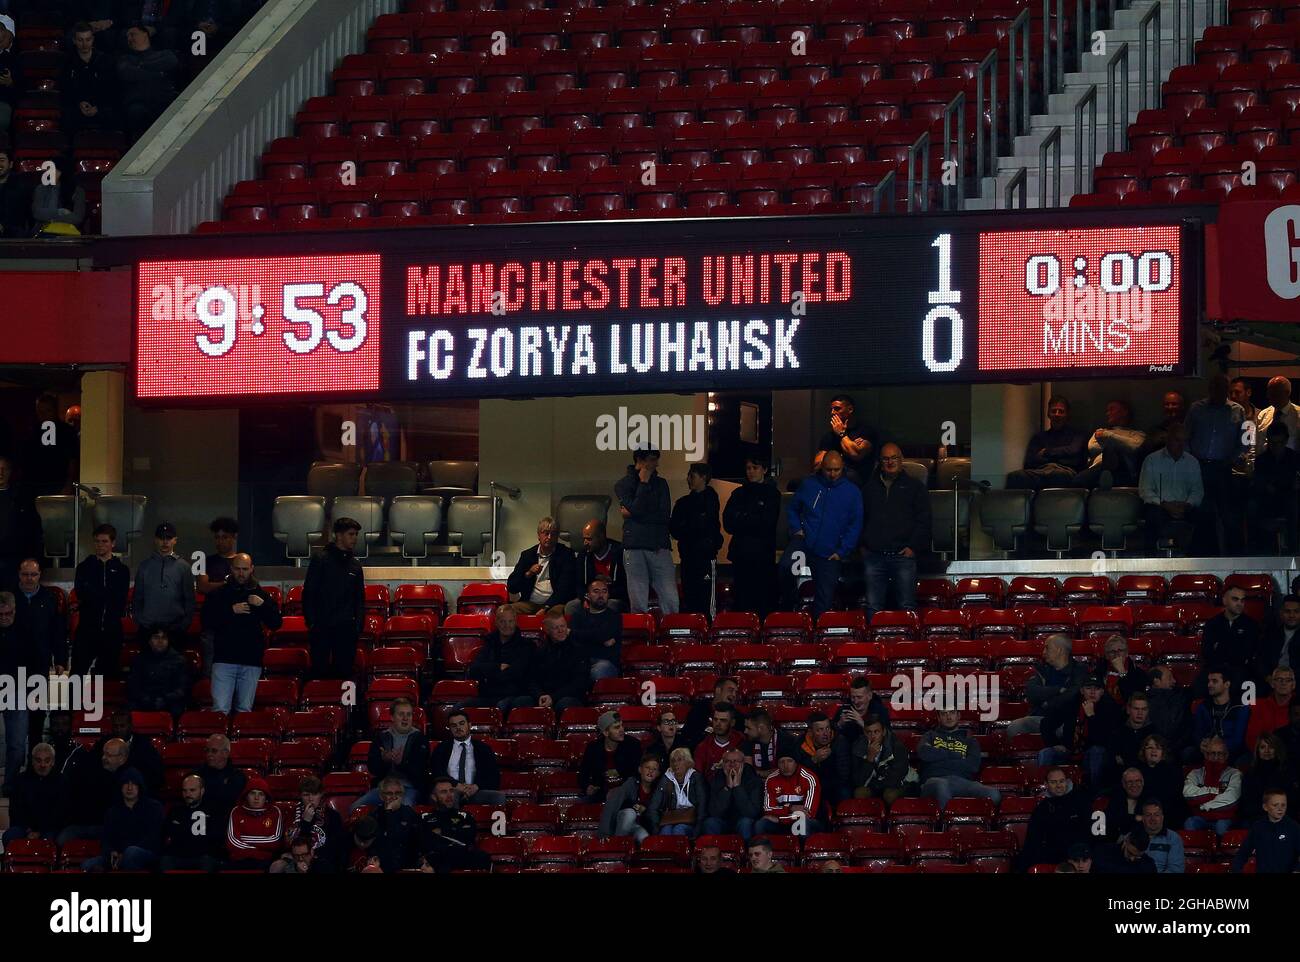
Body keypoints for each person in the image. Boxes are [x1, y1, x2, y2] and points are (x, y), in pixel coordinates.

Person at [779, 450, 863, 619]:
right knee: (786, 567)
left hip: (829, 553)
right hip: (804, 545)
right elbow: (793, 508)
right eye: (828, 470)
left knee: (824, 599)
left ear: (842, 468)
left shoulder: (852, 492)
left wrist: (841, 551)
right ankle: (791, 607)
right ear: (821, 468)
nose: (832, 474)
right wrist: (797, 529)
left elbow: (856, 525)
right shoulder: (808, 484)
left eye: (836, 470)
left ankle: (817, 634)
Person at [202, 553, 280, 714]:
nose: (241, 573)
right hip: (224, 660)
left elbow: (276, 623)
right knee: (220, 710)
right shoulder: (219, 594)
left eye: (245, 569)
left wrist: (263, 605)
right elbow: (207, 621)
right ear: (231, 569)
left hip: (251, 661)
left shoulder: (261, 595)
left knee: (244, 710)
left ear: (252, 569)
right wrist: (230, 610)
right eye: (237, 569)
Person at [860, 442, 930, 618]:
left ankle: (907, 645)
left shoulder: (916, 488)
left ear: (901, 460)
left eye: (894, 458)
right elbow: (860, 519)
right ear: (880, 462)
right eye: (885, 459)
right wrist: (863, 546)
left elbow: (924, 521)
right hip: (874, 556)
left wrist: (913, 547)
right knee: (873, 607)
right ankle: (872, 645)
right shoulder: (868, 489)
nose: (890, 462)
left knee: (907, 605)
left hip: (903, 557)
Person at [1185, 373, 1247, 554]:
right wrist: (1191, 460)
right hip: (1199, 466)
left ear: (1227, 390)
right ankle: (1203, 552)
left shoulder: (1238, 410)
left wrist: (1233, 459)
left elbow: (1244, 441)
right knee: (1201, 510)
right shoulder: (1196, 409)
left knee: (1226, 512)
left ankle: (1233, 553)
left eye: (1222, 388)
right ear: (1209, 389)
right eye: (1215, 387)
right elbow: (1186, 436)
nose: (1218, 391)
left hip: (1223, 468)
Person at [615, 447, 679, 616]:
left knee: (670, 596)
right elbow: (641, 509)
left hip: (658, 544)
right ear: (640, 460)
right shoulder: (623, 484)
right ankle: (641, 634)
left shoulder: (661, 483)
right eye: (651, 459)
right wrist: (643, 484)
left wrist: (633, 513)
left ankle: (671, 632)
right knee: (637, 597)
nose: (656, 464)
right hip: (634, 545)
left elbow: (664, 515)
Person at [302, 516, 365, 681]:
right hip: (322, 626)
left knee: (346, 673)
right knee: (319, 670)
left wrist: (357, 625)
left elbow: (359, 598)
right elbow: (309, 592)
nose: (355, 538)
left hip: (346, 628)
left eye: (356, 534)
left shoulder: (355, 565)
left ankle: (346, 706)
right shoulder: (321, 559)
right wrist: (312, 622)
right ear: (338, 535)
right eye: (351, 534)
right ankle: (319, 706)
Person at [722, 455, 781, 619]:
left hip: (762, 554)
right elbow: (728, 522)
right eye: (748, 468)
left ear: (764, 470)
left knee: (762, 596)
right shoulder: (738, 493)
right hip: (741, 553)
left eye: (755, 468)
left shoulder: (772, 494)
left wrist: (742, 518)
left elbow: (767, 523)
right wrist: (752, 518)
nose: (751, 472)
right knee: (742, 596)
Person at [0, 591, 45, 790]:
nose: (4, 618)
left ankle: (9, 784)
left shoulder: (27, 631)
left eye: (8, 613)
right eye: (0, 615)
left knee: (18, 746)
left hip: (17, 690)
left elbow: (37, 662)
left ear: (15, 610)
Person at [71, 523, 129, 677]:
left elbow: (120, 599)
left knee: (107, 676)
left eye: (104, 541)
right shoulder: (84, 568)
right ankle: (74, 702)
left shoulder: (122, 571)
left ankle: (100, 702)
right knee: (77, 674)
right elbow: (82, 594)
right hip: (87, 630)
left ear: (113, 543)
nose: (100, 545)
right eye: (97, 541)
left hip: (111, 631)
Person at [1039, 677, 1122, 786]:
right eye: (1088, 688)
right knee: (1046, 753)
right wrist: (1055, 743)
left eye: (1096, 688)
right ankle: (1042, 791)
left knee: (1097, 751)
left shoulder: (1110, 708)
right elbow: (1046, 723)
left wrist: (1091, 716)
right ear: (1082, 691)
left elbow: (1104, 739)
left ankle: (1095, 792)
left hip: (1091, 754)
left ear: (1102, 692)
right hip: (1070, 751)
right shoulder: (1072, 704)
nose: (1092, 692)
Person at [1137, 422, 1203, 554]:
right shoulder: (1152, 460)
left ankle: (1196, 563)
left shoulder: (1192, 462)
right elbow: (1145, 490)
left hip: (1184, 506)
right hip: (1160, 506)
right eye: (1177, 440)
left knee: (1204, 516)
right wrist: (1165, 504)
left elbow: (1197, 491)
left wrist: (1187, 505)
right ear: (1168, 439)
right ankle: (1150, 560)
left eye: (1183, 441)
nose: (1180, 444)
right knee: (1152, 515)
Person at [917, 707, 1001, 810]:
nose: (948, 716)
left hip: (963, 782)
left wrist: (938, 759)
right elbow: (924, 753)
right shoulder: (929, 736)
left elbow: (973, 766)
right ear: (938, 718)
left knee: (994, 794)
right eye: (944, 714)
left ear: (958, 715)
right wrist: (956, 756)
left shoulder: (970, 740)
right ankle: (945, 825)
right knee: (941, 786)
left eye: (952, 712)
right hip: (933, 780)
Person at [355, 697, 429, 810]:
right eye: (401, 714)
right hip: (383, 789)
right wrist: (384, 761)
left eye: (408, 715)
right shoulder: (381, 737)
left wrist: (401, 764)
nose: (405, 718)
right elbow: (373, 768)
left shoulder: (420, 739)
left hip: (408, 788)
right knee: (355, 808)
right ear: (392, 717)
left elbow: (421, 771)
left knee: (403, 810)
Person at [84, 768, 163, 872]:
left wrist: (124, 854)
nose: (129, 788)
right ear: (121, 787)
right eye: (126, 783)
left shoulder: (154, 808)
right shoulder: (112, 812)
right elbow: (106, 839)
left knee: (131, 853)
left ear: (139, 786)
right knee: (87, 864)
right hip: (117, 856)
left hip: (144, 854)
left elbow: (154, 838)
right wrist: (111, 852)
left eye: (133, 784)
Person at [1010, 634, 1089, 738]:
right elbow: (1032, 692)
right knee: (1015, 726)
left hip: (1065, 720)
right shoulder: (1042, 669)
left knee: (1066, 731)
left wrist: (1048, 703)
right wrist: (1058, 690)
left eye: (1047, 648)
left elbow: (1073, 694)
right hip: (1041, 718)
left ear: (1059, 650)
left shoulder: (1079, 670)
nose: (1043, 653)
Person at [671, 463, 723, 616]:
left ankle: (707, 628)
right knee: (690, 595)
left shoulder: (710, 500)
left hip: (704, 556)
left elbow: (703, 525)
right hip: (688, 556)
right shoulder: (682, 503)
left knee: (707, 597)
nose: (688, 479)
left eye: (692, 476)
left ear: (704, 478)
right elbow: (675, 529)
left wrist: (688, 526)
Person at [1014, 767, 1091, 871]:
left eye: (1061, 781)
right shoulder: (1041, 809)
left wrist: (1082, 858)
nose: (1059, 786)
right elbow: (1033, 841)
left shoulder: (1081, 802)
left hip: (1079, 857)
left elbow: (1089, 833)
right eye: (1053, 782)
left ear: (1067, 782)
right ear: (1046, 784)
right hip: (1052, 858)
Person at [132, 521, 195, 647]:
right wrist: (141, 621)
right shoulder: (144, 566)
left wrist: (183, 625)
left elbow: (189, 600)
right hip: (148, 628)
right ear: (156, 540)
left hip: (175, 630)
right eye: (161, 538)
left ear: (175, 540)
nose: (165, 542)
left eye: (168, 538)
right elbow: (137, 598)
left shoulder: (184, 567)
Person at [1007, 395, 1089, 490]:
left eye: (1061, 411)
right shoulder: (1039, 437)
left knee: (1059, 475)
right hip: (1041, 472)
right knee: (1014, 476)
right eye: (1053, 411)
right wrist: (1062, 456)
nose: (1057, 414)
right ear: (1048, 414)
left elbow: (1075, 455)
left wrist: (1046, 453)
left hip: (1065, 472)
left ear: (1067, 414)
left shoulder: (1077, 435)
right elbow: (1029, 462)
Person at [58, 737, 130, 844]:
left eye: (109, 755)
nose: (104, 758)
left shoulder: (129, 778)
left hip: (107, 827)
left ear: (122, 759)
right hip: (81, 824)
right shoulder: (90, 772)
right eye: (104, 754)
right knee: (61, 840)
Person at [429, 708, 505, 808]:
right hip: (452, 791)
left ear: (469, 725)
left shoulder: (483, 748)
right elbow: (437, 772)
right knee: (452, 795)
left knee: (498, 797)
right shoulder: (441, 748)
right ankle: (455, 822)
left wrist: (476, 786)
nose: (458, 728)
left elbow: (493, 775)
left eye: (461, 723)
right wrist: (456, 785)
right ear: (450, 728)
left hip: (476, 791)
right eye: (454, 725)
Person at [468, 604, 535, 715]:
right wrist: (497, 667)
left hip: (513, 696)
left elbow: (516, 673)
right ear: (496, 622)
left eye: (510, 621)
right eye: (503, 621)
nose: (507, 625)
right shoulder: (489, 642)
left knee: (500, 708)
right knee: (459, 708)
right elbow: (474, 670)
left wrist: (488, 673)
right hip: (488, 695)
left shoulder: (526, 646)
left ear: (515, 622)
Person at [117, 23, 179, 140]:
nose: (129, 39)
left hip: (163, 101)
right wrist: (157, 73)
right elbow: (127, 73)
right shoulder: (125, 58)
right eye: (127, 37)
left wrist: (142, 65)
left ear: (145, 34)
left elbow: (172, 61)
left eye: (132, 34)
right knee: (135, 112)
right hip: (138, 103)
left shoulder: (163, 54)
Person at [195, 516, 239, 678]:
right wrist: (227, 584)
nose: (220, 541)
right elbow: (202, 586)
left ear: (233, 538)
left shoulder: (241, 562)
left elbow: (245, 588)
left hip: (234, 626)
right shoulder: (205, 561)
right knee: (209, 671)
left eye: (224, 537)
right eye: (217, 537)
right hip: (212, 624)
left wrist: (218, 585)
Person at [419, 776, 491, 873]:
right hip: (440, 855)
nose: (449, 795)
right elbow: (427, 842)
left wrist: (442, 832)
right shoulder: (425, 818)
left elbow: (468, 838)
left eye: (451, 791)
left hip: (459, 856)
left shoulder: (465, 816)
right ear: (434, 797)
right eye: (443, 792)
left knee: (482, 856)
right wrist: (455, 832)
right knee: (434, 857)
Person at [506, 516, 577, 616]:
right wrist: (528, 574)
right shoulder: (527, 555)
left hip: (555, 604)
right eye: (546, 533)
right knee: (506, 611)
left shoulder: (566, 555)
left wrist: (546, 607)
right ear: (539, 535)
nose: (549, 537)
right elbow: (512, 587)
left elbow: (564, 588)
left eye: (553, 534)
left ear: (557, 537)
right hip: (530, 603)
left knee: (555, 615)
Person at [1070, 399, 1147, 489]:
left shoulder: (1136, 434)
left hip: (1123, 472)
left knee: (1112, 449)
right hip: (1097, 469)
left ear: (1124, 412)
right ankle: (1105, 476)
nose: (1107, 413)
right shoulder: (1101, 431)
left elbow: (1135, 446)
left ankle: (1107, 476)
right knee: (1077, 481)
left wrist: (1107, 436)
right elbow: (1093, 447)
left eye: (1111, 409)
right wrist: (1119, 442)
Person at [526, 608, 589, 715]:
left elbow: (579, 683)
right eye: (556, 628)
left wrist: (553, 697)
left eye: (563, 626)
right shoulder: (540, 651)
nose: (561, 630)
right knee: (522, 702)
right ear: (547, 630)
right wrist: (540, 695)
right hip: (545, 696)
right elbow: (531, 679)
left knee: (563, 704)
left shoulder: (578, 650)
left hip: (569, 697)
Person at [1249, 421, 1299, 553]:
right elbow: (1262, 485)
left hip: (1289, 500)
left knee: (1294, 505)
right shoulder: (1262, 460)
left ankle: (1294, 551)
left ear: (1286, 440)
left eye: (1280, 443)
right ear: (1268, 441)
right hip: (1268, 501)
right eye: (1273, 443)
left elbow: (1293, 484)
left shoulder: (1294, 458)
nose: (1276, 447)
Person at [62, 21, 119, 134]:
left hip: (102, 106)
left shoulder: (105, 60)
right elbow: (65, 89)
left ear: (93, 39)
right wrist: (79, 103)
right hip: (77, 106)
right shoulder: (67, 62)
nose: (84, 44)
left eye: (88, 39)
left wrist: (98, 108)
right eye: (80, 40)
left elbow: (112, 89)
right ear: (74, 40)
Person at [2, 742, 64, 845]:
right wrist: (28, 830)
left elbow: (61, 813)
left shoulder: (61, 781)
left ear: (52, 762)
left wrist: (40, 831)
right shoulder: (21, 780)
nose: (43, 765)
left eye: (47, 761)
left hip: (50, 828)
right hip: (24, 827)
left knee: (51, 839)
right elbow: (15, 811)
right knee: (9, 836)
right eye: (38, 760)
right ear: (32, 761)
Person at [1200, 585, 1259, 694]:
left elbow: (1248, 655)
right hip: (1216, 671)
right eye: (1235, 599)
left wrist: (1221, 647)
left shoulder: (1251, 625)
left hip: (1242, 673)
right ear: (1224, 600)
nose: (1239, 604)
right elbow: (1207, 652)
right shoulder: (1212, 624)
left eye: (1242, 600)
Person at [160, 773, 223, 872]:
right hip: (178, 856)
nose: (188, 794)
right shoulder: (175, 811)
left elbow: (217, 839)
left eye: (192, 790)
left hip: (203, 856)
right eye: (184, 791)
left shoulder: (213, 811)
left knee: (208, 862)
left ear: (202, 791)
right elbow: (165, 835)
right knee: (165, 860)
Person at [569, 575, 623, 683]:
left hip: (606, 663)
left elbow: (603, 635)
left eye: (604, 591)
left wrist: (580, 635)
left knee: (599, 670)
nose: (601, 595)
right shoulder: (578, 616)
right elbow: (573, 641)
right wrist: (600, 640)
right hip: (582, 661)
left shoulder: (614, 617)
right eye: (596, 591)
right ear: (588, 595)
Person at [1183, 737, 1242, 835]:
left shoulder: (1234, 774)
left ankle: (1220, 851)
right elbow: (1188, 794)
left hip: (1223, 818)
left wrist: (1205, 806)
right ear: (1206, 755)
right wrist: (1217, 791)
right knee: (1190, 823)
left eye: (1220, 754)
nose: (1216, 757)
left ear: (1226, 755)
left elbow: (1231, 798)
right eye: (1212, 753)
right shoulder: (1195, 774)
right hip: (1201, 818)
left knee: (1221, 826)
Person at [1231, 789, 1300, 873]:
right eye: (1275, 805)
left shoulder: (1293, 827)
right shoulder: (1257, 827)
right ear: (1265, 807)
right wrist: (1236, 869)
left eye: (1283, 805)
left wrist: (1297, 870)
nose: (1280, 809)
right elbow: (1243, 853)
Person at [579, 710, 642, 802]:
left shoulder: (633, 745)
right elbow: (583, 773)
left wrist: (618, 772)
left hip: (626, 794)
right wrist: (588, 786)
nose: (622, 730)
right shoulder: (593, 748)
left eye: (622, 725)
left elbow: (637, 772)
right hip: (600, 793)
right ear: (606, 732)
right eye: (616, 727)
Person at [126, 626, 190, 717]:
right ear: (149, 641)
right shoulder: (139, 659)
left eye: (164, 638)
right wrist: (146, 698)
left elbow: (182, 688)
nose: (160, 641)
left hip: (169, 700)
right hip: (144, 699)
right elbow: (133, 685)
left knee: (178, 709)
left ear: (168, 641)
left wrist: (165, 699)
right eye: (156, 637)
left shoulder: (179, 660)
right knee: (130, 707)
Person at [814, 394, 877, 485]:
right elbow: (817, 465)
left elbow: (856, 454)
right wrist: (845, 451)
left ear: (850, 409)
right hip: (832, 482)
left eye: (837, 409)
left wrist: (842, 434)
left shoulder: (865, 431)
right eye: (831, 409)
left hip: (859, 483)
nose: (832, 413)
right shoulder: (829, 436)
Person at [702, 748, 764, 840]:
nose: (732, 764)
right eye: (727, 761)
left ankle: (746, 853)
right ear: (722, 764)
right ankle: (713, 853)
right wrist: (727, 787)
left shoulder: (753, 780)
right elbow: (714, 812)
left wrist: (737, 787)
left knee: (745, 822)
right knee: (710, 822)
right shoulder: (716, 779)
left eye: (736, 761)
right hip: (723, 821)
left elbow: (751, 813)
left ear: (743, 763)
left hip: (743, 820)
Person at [757, 749, 823, 835]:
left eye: (790, 761)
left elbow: (808, 814)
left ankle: (801, 848)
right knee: (761, 824)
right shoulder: (771, 779)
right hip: (782, 823)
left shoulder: (808, 778)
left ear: (796, 763)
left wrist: (780, 819)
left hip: (805, 822)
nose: (786, 766)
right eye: (782, 762)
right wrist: (790, 808)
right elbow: (768, 809)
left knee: (803, 824)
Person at [569, 519, 627, 615]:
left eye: (589, 539)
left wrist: (602, 595)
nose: (585, 543)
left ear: (601, 537)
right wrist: (586, 598)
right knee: (572, 607)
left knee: (611, 605)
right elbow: (579, 585)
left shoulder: (620, 553)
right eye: (584, 539)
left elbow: (624, 586)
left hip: (613, 597)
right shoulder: (583, 555)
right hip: (590, 597)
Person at [600, 753, 662, 842]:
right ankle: (618, 845)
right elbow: (613, 803)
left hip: (638, 825)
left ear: (658, 774)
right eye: (647, 767)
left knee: (644, 838)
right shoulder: (630, 784)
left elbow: (653, 816)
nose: (651, 771)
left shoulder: (658, 790)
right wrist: (604, 833)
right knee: (630, 813)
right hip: (622, 822)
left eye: (654, 769)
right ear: (640, 769)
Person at [847, 714, 909, 804]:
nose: (873, 736)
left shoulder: (896, 746)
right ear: (864, 732)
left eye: (876, 732)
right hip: (874, 786)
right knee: (859, 792)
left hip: (896, 786)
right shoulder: (858, 748)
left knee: (889, 794)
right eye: (869, 732)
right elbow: (858, 781)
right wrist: (869, 758)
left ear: (883, 732)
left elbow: (896, 777)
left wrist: (877, 785)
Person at [1239, 733, 1300, 823]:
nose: (1266, 750)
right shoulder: (1250, 774)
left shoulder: (1286, 772)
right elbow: (1247, 801)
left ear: (1277, 750)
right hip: (1256, 817)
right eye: (1263, 747)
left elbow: (1292, 800)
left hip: (1283, 817)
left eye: (1271, 747)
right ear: (1257, 751)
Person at [288, 775, 345, 870]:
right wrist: (306, 822)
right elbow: (293, 844)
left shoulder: (333, 816)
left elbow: (337, 847)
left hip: (323, 862)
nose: (310, 799)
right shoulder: (293, 813)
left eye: (314, 794)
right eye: (306, 794)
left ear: (321, 794)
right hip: (298, 859)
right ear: (300, 796)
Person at [1192, 669, 1250, 761]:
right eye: (1209, 681)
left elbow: (1238, 740)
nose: (1209, 685)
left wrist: (1217, 746)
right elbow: (1197, 733)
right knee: (1188, 753)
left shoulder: (1240, 707)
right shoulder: (1203, 706)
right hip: (1208, 748)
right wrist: (1201, 743)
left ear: (1227, 684)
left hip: (1231, 750)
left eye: (1214, 681)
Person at [226, 776, 284, 868]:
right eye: (252, 793)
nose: (256, 798)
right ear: (246, 796)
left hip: (265, 861)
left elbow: (275, 841)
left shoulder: (275, 811)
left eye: (261, 794)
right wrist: (259, 849)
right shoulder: (236, 811)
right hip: (240, 860)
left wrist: (244, 839)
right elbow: (232, 842)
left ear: (266, 797)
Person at [366, 776, 421, 873]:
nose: (394, 797)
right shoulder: (375, 815)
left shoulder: (410, 813)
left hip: (407, 864)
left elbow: (401, 838)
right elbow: (377, 844)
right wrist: (389, 812)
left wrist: (391, 813)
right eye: (389, 793)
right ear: (381, 796)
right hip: (382, 866)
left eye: (398, 793)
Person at [0, 456, 40, 589]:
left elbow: (34, 530)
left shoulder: (22, 498)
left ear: (10, 472)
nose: (1, 473)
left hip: (15, 561)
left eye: (4, 469)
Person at [649, 746, 705, 836]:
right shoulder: (667, 777)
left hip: (692, 821)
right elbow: (653, 806)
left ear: (688, 762)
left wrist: (698, 830)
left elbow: (702, 805)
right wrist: (656, 827)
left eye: (679, 760)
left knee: (679, 830)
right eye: (673, 761)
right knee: (665, 832)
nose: (675, 764)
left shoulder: (696, 777)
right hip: (671, 819)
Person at [1134, 735, 1187, 826]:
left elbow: (1173, 798)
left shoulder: (1173, 772)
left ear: (1163, 752)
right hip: (1141, 817)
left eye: (1158, 748)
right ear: (1144, 751)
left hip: (1168, 817)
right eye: (1150, 747)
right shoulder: (1136, 772)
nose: (1154, 751)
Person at [796, 710, 845, 807]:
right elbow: (797, 773)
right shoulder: (799, 743)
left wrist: (829, 760)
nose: (825, 733)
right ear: (810, 732)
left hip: (834, 786)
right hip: (810, 785)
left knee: (843, 791)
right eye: (820, 730)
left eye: (827, 728)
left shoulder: (839, 742)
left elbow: (844, 774)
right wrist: (813, 760)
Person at [196, 733, 246, 823]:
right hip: (202, 822)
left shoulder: (238, 777)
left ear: (226, 753)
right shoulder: (197, 775)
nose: (209, 754)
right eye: (207, 750)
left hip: (228, 823)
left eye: (214, 751)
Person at [1146, 665, 1193, 757]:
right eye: (1169, 678)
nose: (1174, 681)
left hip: (1177, 750)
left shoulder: (1181, 697)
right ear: (1157, 681)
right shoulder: (1144, 703)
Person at [1107, 691, 1156, 778]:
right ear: (1128, 710)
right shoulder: (1118, 732)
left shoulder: (1155, 733)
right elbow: (1113, 760)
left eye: (1144, 709)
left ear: (1148, 711)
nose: (1140, 713)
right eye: (1136, 709)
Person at [684, 675, 743, 747]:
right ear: (718, 691)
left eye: (736, 692)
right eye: (730, 690)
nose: (734, 695)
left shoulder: (738, 717)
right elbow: (688, 735)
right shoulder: (699, 709)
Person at [1246, 667, 1294, 753]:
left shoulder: (1297, 708)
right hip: (1261, 755)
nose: (1283, 683)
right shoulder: (1257, 705)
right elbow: (1252, 737)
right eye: (1279, 679)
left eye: (1288, 680)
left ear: (1293, 685)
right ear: (1272, 683)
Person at [743, 707, 800, 777]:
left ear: (761, 728)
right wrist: (765, 773)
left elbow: (789, 771)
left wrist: (760, 773)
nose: (745, 731)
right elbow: (748, 772)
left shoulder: (787, 740)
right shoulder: (748, 741)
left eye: (748, 728)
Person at [1257, 594, 1300, 686]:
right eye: (1287, 611)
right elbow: (1260, 660)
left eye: (1296, 612)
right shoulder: (1270, 635)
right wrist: (1268, 678)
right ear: (1281, 613)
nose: (1291, 615)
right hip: (1272, 680)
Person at [693, 703, 746, 778]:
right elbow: (698, 778)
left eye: (723, 720)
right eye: (715, 719)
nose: (718, 724)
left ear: (732, 723)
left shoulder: (741, 742)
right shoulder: (703, 747)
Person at [833, 675, 891, 742]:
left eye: (859, 697)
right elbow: (832, 736)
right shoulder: (844, 710)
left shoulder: (880, 712)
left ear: (869, 696)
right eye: (853, 697)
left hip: (872, 749)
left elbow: (887, 738)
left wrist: (862, 723)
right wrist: (839, 724)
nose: (856, 701)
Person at [1095, 635, 1149, 706]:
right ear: (1107, 656)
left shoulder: (1139, 674)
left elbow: (1132, 698)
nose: (1116, 655)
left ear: (1126, 653)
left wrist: (1122, 672)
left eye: (1120, 650)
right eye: (1112, 651)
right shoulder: (1099, 672)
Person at [1256, 375, 1300, 456]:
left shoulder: (1298, 416)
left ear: (1287, 393)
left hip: (1290, 465)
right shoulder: (1263, 414)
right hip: (1265, 464)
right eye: (1269, 392)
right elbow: (1258, 444)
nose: (1269, 396)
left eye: (1274, 393)